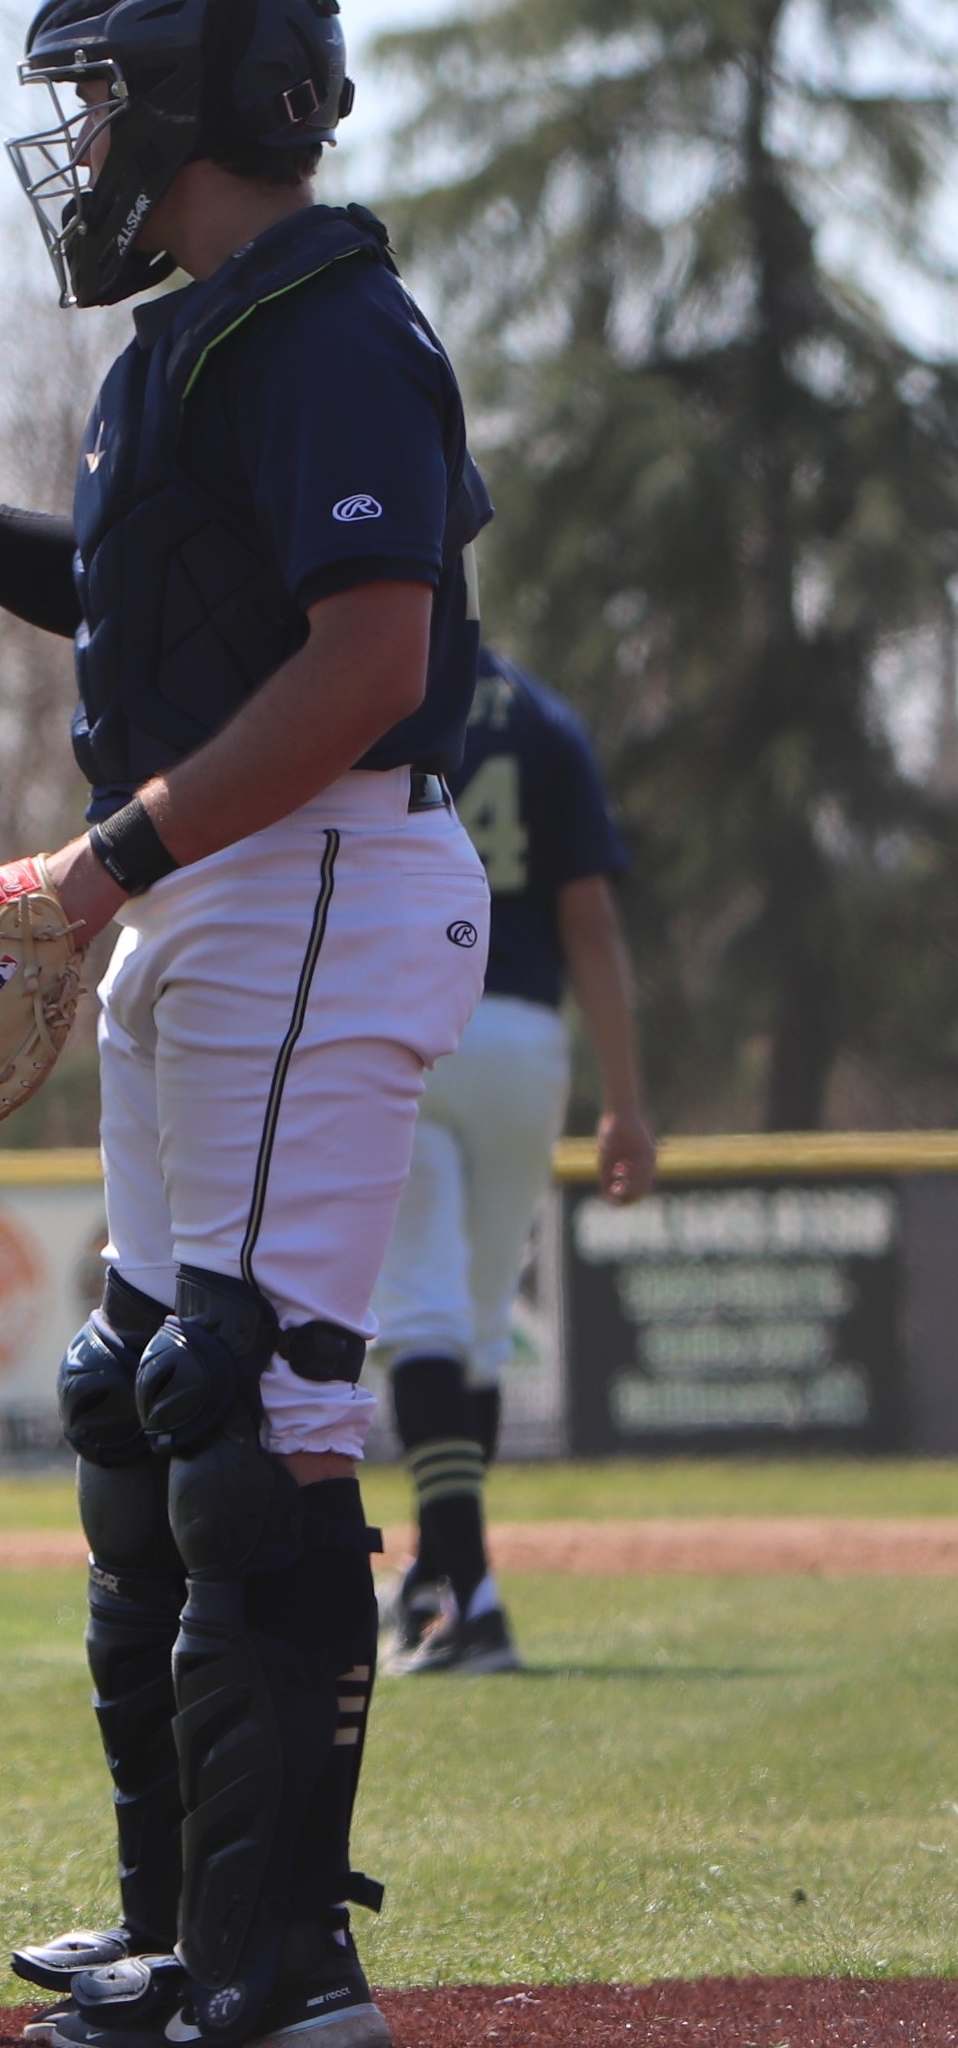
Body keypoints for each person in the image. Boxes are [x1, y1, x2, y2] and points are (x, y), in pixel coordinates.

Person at [0, 0, 487, 2048]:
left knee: (247, 1409)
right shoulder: (190, 341)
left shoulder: (328, 328)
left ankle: (284, 1967)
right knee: (138, 1393)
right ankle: (183, 1924)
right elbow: (127, 597)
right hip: (217, 891)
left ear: (178, 105)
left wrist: (91, 865)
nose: (72, 146)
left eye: (90, 103)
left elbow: (369, 661)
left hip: (317, 876)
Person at [374, 646, 653, 1676]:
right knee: (477, 1332)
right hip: (521, 1038)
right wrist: (624, 1100)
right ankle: (435, 1576)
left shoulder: (369, 681)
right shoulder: (542, 717)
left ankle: (472, 1599)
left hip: (405, 1016)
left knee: (421, 1318)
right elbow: (588, 918)